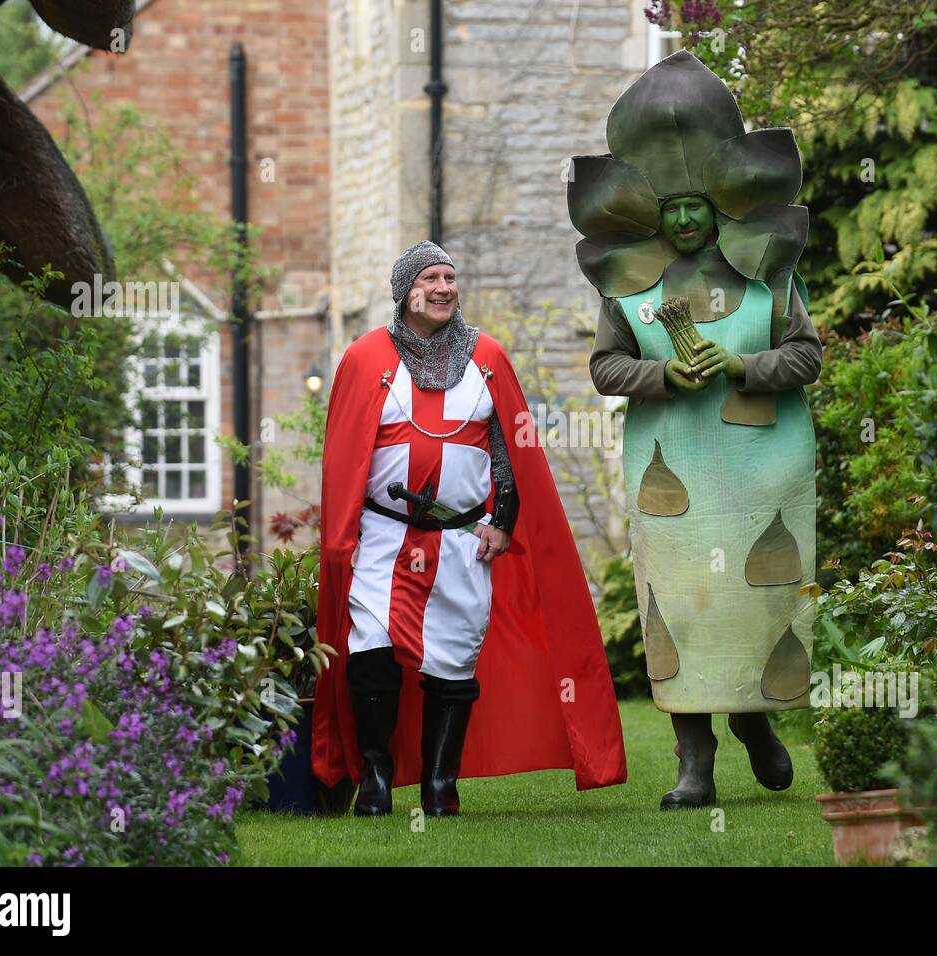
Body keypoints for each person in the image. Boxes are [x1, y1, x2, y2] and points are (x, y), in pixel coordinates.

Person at [570, 51, 823, 808]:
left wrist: (742, 366)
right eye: (670, 207)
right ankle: (695, 763)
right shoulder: (629, 287)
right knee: (676, 606)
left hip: (758, 470)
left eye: (695, 206)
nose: (683, 218)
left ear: (719, 209)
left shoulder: (768, 277)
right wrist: (661, 376)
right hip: (669, 467)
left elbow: (807, 357)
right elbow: (605, 367)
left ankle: (756, 730)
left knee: (749, 606)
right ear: (652, 214)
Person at [313, 240, 627, 817]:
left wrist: (503, 520)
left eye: (450, 278)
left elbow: (511, 444)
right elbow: (344, 459)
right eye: (429, 278)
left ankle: (439, 785)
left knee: (453, 660)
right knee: (372, 648)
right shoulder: (365, 358)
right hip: (385, 535)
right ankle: (377, 777)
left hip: (462, 538)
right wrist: (344, 539)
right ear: (405, 291)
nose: (442, 288)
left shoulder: (487, 358)